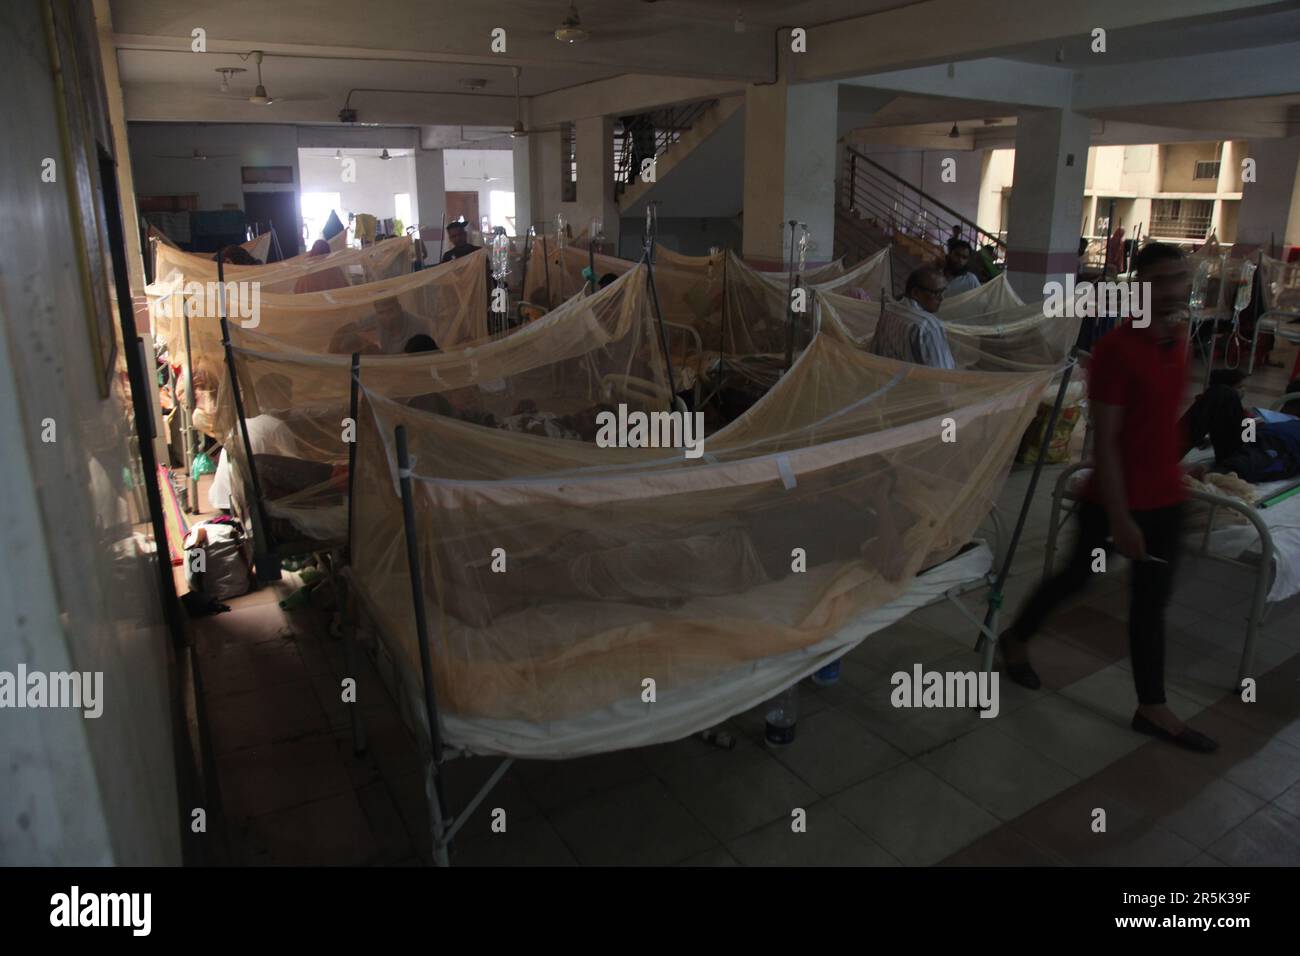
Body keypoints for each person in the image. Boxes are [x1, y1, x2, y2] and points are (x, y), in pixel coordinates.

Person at [999, 242, 1218, 753]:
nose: (1173, 290)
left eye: (1180, 278)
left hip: (1166, 495)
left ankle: (1152, 706)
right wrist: (1120, 517)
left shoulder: (1179, 340)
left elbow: (1165, 421)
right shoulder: (1116, 352)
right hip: (1114, 499)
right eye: (1161, 280)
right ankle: (1015, 638)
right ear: (1139, 286)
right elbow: (1106, 443)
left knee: (1150, 602)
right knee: (1078, 577)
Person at [208, 373, 300, 512]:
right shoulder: (276, 426)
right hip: (244, 504)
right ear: (280, 398)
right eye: (288, 396)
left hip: (221, 499)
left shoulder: (243, 425)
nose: (291, 402)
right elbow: (297, 469)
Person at [869, 266, 956, 369]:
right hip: (915, 384)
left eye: (943, 291)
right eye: (936, 293)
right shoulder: (928, 326)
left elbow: (876, 351)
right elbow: (943, 374)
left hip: (887, 380)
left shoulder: (889, 311)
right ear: (916, 293)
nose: (941, 298)